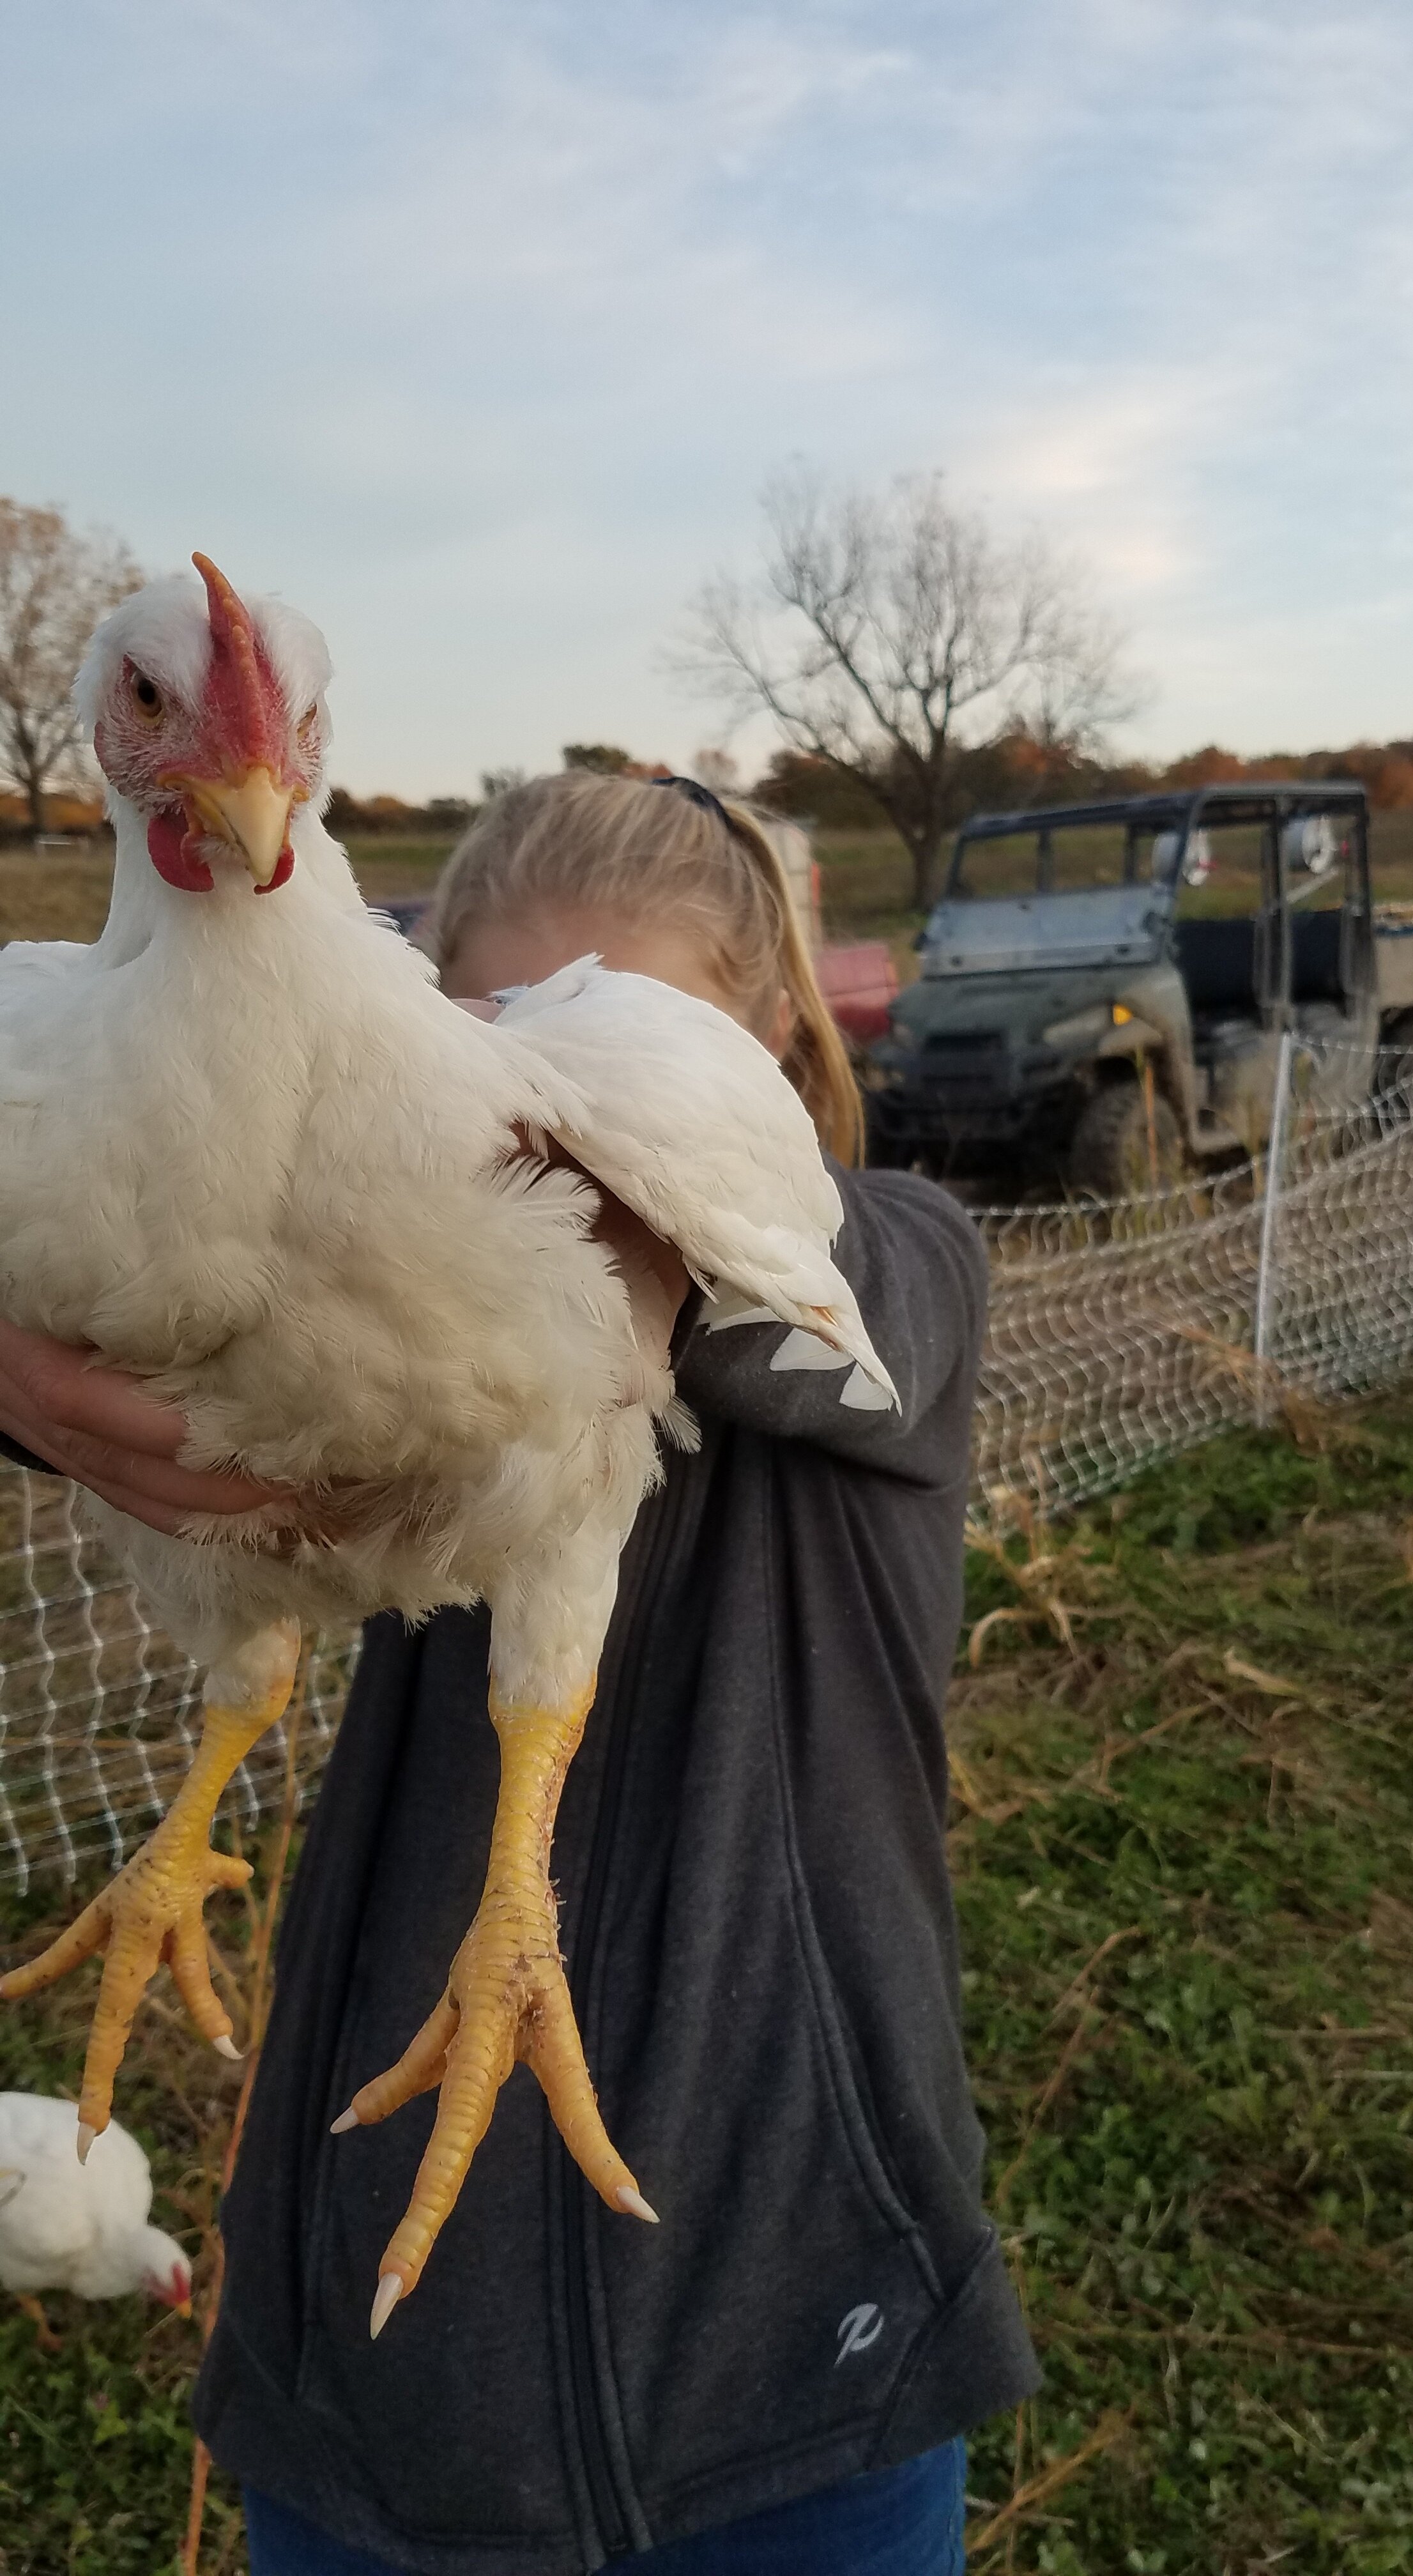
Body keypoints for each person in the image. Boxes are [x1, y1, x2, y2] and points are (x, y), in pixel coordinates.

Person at [0, 773, 1037, 2573]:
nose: (528, 1148)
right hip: (378, 2369)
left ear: (765, 1034)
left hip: (794, 2304)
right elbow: (168, 1277)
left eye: (596, 1072)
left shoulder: (902, 1273)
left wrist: (576, 1212)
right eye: (488, 1057)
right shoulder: (346, 1265)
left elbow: (799, 1292)